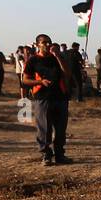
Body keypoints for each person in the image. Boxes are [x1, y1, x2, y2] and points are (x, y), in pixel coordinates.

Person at [21, 34, 70, 166]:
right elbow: (25, 80)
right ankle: (46, 155)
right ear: (38, 45)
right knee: (44, 128)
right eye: (44, 42)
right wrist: (39, 82)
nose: (48, 45)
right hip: (42, 98)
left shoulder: (56, 58)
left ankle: (60, 155)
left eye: (49, 42)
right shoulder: (33, 60)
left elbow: (67, 73)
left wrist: (58, 56)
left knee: (60, 129)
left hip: (60, 98)